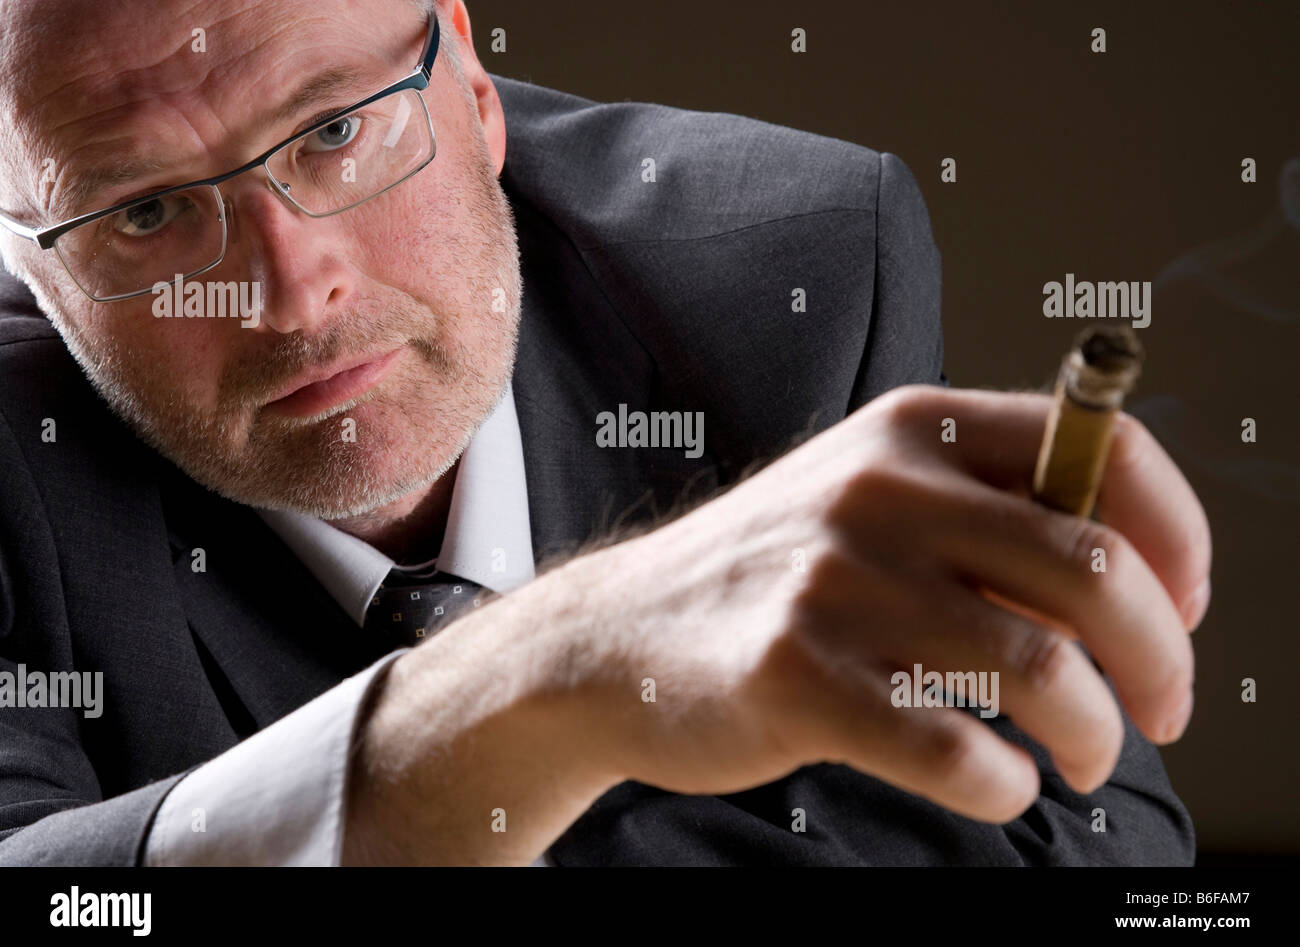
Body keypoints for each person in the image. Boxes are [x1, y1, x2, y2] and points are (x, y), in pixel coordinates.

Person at [0, 0, 1209, 865]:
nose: (289, 287)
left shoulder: (800, 272)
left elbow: (1092, 839)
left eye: (333, 131)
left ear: (472, 94)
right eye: (146, 210)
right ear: (23, 259)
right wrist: (556, 676)